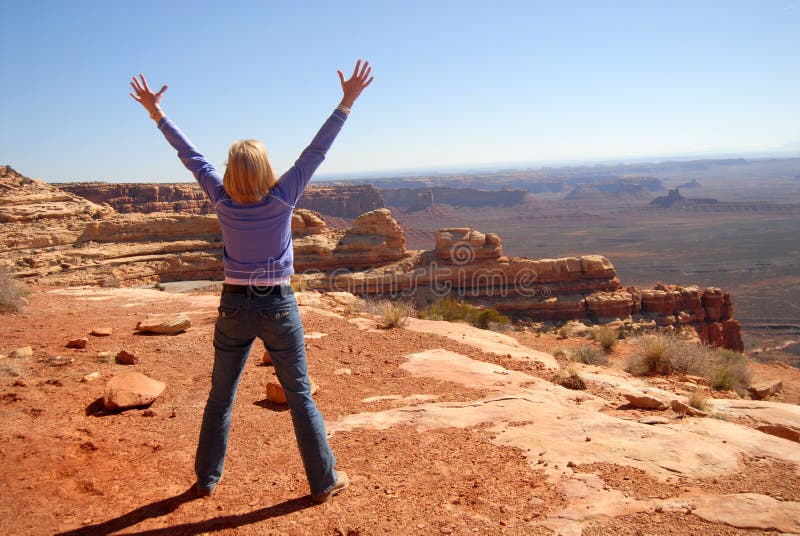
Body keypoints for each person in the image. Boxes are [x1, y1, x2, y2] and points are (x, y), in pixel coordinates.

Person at [129, 60, 373, 503]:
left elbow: (191, 157)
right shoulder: (282, 198)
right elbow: (315, 152)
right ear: (265, 170)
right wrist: (347, 101)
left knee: (221, 395)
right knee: (300, 397)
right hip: (278, 303)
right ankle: (324, 481)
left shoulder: (220, 199)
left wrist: (157, 114)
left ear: (231, 172)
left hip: (233, 306)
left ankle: (206, 479)